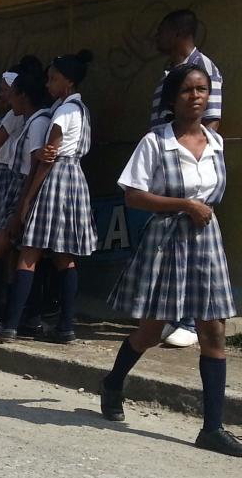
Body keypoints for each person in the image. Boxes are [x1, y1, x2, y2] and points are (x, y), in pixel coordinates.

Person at [100, 64, 240, 456]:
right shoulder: (156, 142)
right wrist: (184, 204)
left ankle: (212, 428)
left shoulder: (216, 142)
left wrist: (198, 210)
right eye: (187, 90)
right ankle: (113, 383)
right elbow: (133, 194)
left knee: (213, 331)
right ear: (172, 98)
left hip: (205, 240)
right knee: (151, 331)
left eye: (201, 90)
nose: (195, 97)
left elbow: (213, 197)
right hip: (167, 238)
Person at [0, 51, 97, 343]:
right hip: (73, 180)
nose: (49, 84)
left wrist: (28, 199)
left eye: (54, 79)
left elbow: (49, 157)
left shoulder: (65, 113)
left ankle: (11, 325)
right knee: (63, 256)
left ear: (68, 82)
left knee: (29, 251)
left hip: (54, 180)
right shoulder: (76, 109)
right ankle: (65, 325)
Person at [150, 9, 224, 350]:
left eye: (162, 30)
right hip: (165, 166)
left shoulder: (204, 70)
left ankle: (188, 321)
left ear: (178, 31)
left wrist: (194, 167)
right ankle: (169, 314)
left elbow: (208, 125)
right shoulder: (171, 73)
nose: (157, 37)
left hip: (187, 172)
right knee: (169, 249)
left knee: (192, 250)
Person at [0, 63, 50, 334]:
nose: (5, 97)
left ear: (22, 95)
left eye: (9, 91)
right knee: (1, 254)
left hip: (20, 190)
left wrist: (22, 208)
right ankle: (1, 314)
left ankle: (0, 316)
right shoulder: (28, 120)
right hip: (14, 189)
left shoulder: (35, 122)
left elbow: (29, 166)